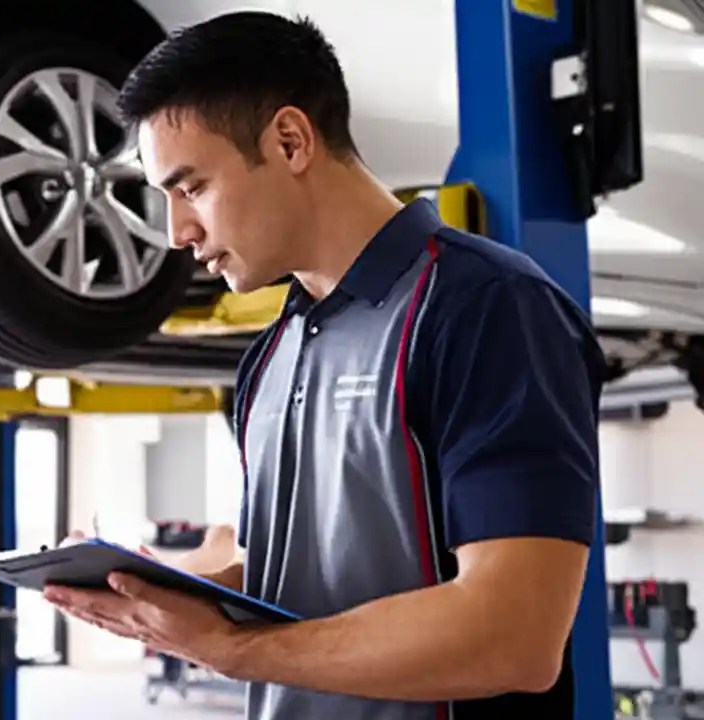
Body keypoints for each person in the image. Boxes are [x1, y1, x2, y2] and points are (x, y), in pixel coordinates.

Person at [43, 11, 604, 720]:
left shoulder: (488, 309)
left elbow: (514, 637)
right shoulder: (267, 362)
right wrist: (144, 586)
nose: (177, 233)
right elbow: (285, 574)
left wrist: (232, 650)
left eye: (190, 189)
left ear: (289, 139)